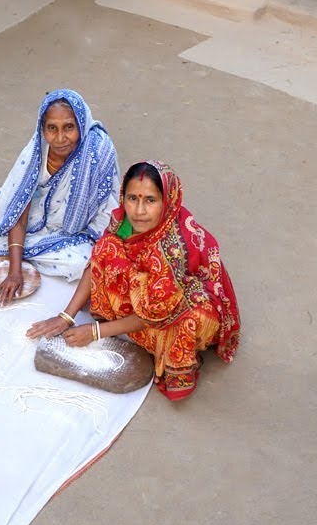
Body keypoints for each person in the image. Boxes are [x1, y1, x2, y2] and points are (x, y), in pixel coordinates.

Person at [26, 161, 240, 401]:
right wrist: (66, 316)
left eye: (150, 200)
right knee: (107, 247)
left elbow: (155, 314)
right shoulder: (124, 221)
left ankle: (161, 342)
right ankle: (122, 316)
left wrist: (96, 332)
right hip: (152, 293)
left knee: (188, 321)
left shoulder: (173, 249)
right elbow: (98, 259)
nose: (139, 211)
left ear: (166, 201)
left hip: (188, 306)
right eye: (132, 199)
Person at [0, 88, 120, 305]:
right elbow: (19, 215)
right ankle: (8, 193)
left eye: (69, 127)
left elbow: (106, 207)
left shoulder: (98, 150)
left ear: (81, 124)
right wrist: (15, 273)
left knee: (84, 263)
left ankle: (8, 198)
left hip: (82, 223)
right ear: (42, 129)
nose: (61, 138)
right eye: (52, 128)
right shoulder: (36, 150)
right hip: (37, 207)